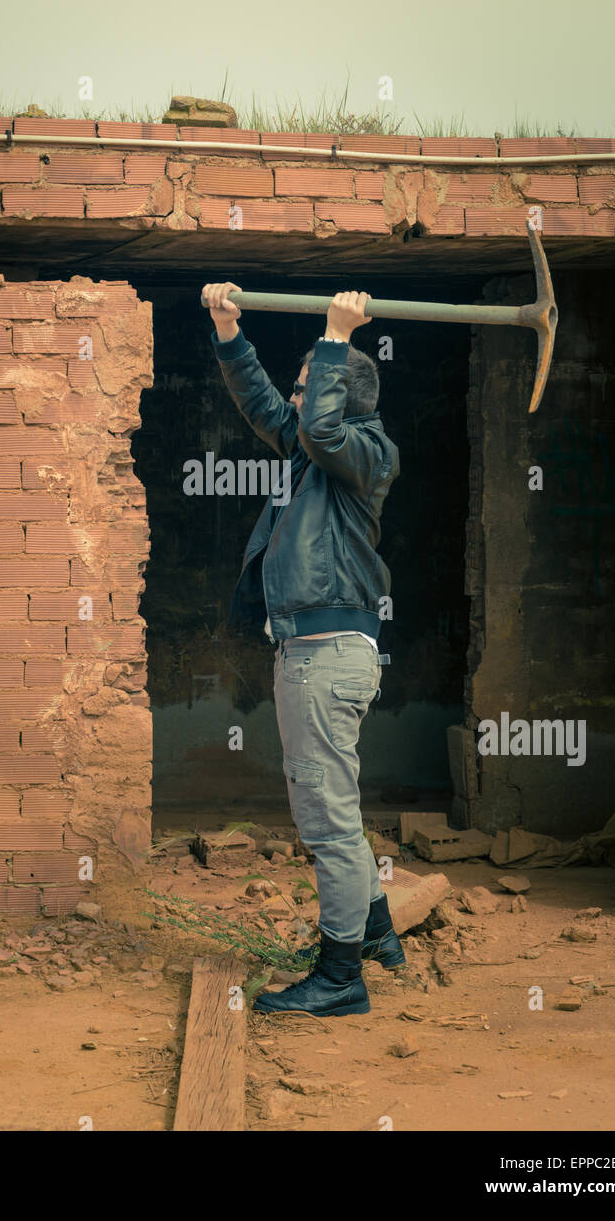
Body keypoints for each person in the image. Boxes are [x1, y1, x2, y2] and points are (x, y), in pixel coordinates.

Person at [203, 281, 404, 1018]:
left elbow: (316, 427)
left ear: (340, 394)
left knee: (324, 822)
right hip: (309, 652)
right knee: (333, 810)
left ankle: (340, 978)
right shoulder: (312, 453)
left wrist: (334, 335)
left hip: (324, 656)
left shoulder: (362, 453)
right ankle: (377, 932)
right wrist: (229, 331)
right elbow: (267, 406)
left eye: (310, 387)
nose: (295, 400)